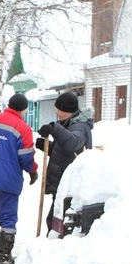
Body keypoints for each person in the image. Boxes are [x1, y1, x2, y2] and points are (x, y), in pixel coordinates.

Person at [0, 93, 37, 264]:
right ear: (23, 109)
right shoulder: (22, 128)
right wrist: (33, 171)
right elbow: (26, 157)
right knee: (8, 217)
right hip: (9, 180)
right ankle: (4, 255)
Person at [35, 91, 93, 235]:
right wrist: (47, 146)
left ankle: (53, 250)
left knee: (57, 224)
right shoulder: (70, 124)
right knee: (54, 221)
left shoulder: (80, 127)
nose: (56, 111)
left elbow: (73, 144)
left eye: (58, 108)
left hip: (69, 187)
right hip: (62, 184)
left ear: (64, 109)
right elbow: (65, 151)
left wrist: (55, 129)